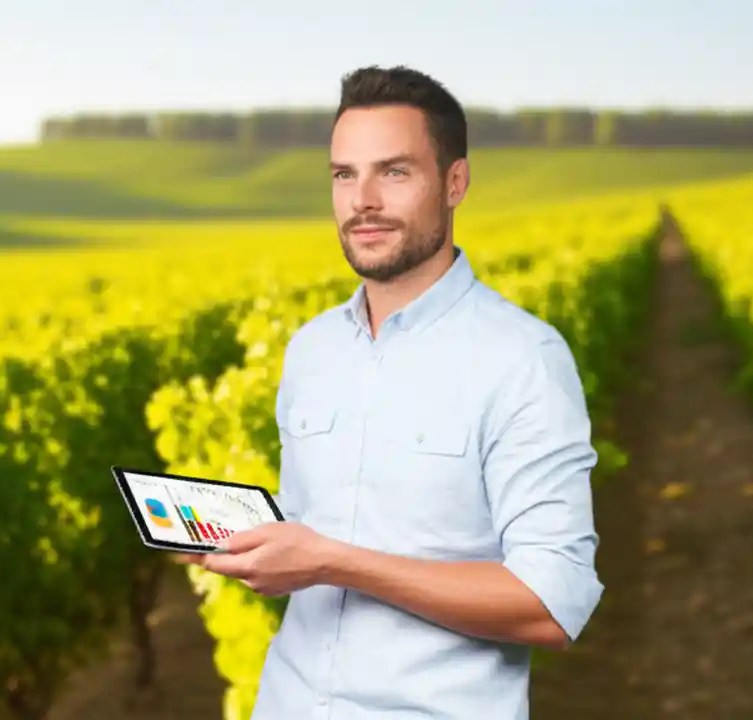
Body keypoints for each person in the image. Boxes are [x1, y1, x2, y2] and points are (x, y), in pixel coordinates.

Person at [174, 65, 604, 719]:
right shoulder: (311, 350)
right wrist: (248, 542)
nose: (363, 200)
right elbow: (313, 531)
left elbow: (551, 604)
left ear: (455, 183)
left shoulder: (523, 359)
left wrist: (333, 562)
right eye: (344, 175)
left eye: (394, 172)